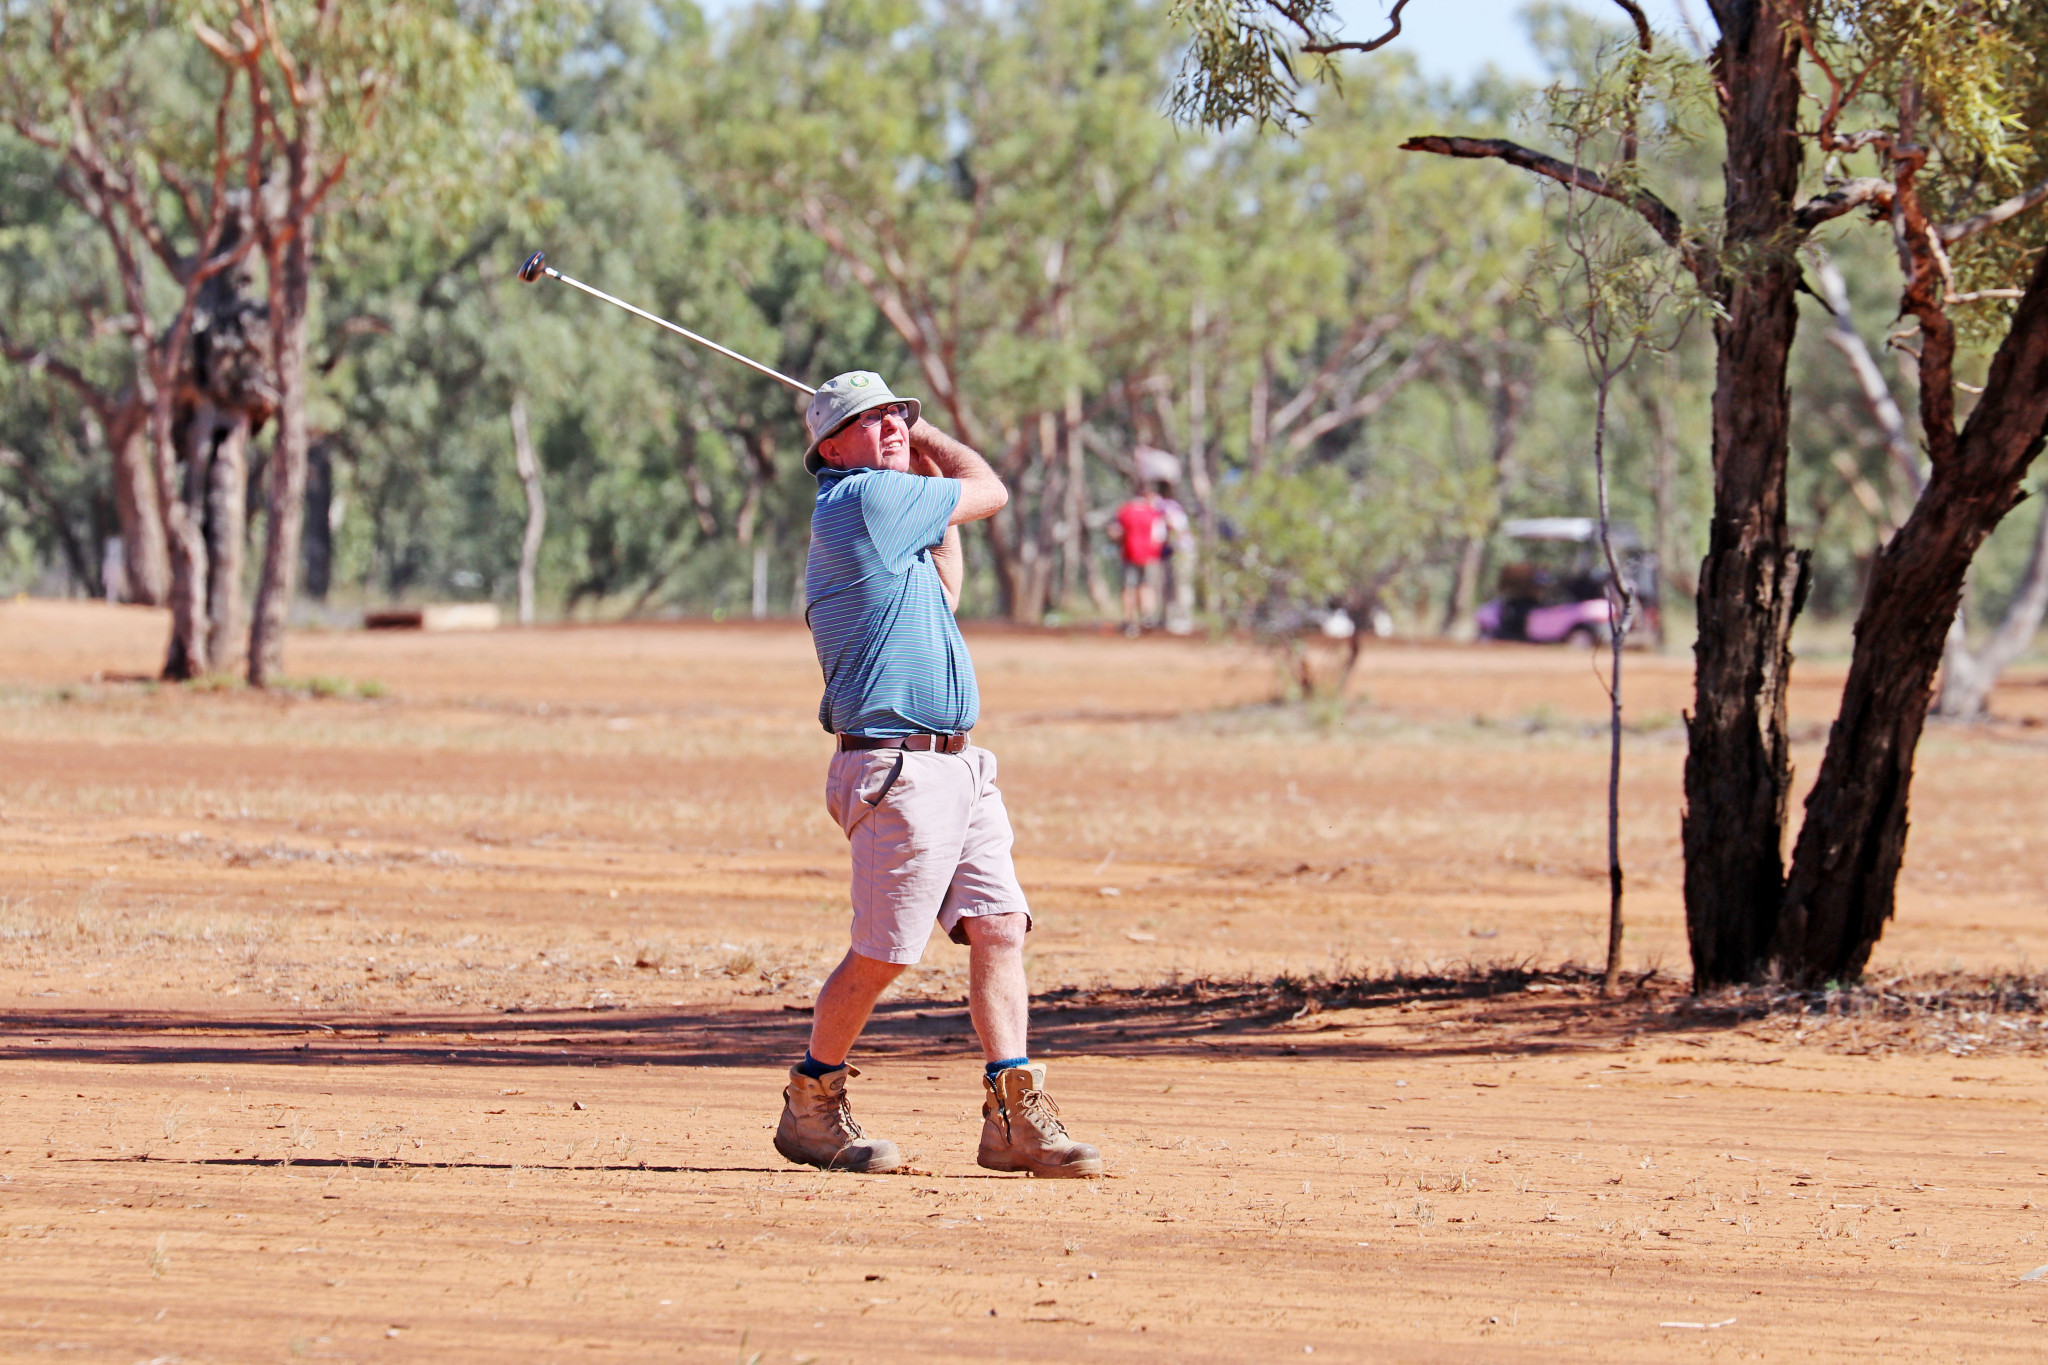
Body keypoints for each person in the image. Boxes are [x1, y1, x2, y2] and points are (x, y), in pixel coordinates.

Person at [775, 370, 1102, 1180]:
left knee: (1000, 925)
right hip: (896, 768)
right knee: (885, 954)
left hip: (959, 764)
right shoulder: (859, 500)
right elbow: (987, 490)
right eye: (870, 419)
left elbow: (947, 587)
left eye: (897, 413)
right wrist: (927, 439)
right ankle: (811, 1101)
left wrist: (910, 455)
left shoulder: (893, 527)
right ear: (830, 449)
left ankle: (1013, 1116)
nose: (890, 424)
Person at [1110, 484, 1167, 636]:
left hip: (1129, 553)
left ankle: (1128, 621)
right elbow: (1159, 537)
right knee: (1147, 586)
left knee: (1129, 587)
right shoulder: (1154, 513)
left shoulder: (1124, 511)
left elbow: (1114, 532)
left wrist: (1122, 542)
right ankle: (1147, 618)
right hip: (1150, 555)